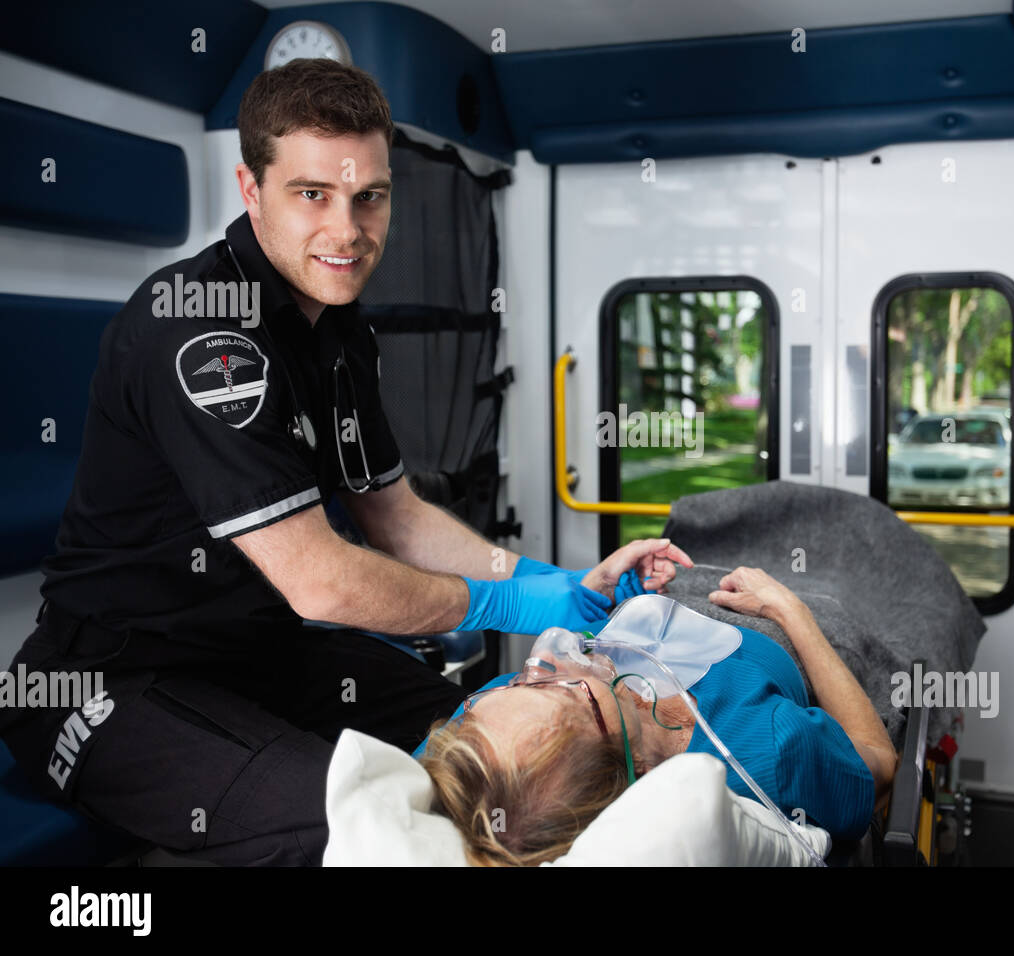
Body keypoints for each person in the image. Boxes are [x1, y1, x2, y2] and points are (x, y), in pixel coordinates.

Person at [0, 58, 678, 866]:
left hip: (252, 652)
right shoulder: (200, 329)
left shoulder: (342, 332)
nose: (348, 231)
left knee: (478, 742)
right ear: (252, 189)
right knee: (364, 828)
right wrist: (513, 608)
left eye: (370, 197)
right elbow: (318, 579)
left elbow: (393, 516)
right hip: (109, 679)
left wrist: (558, 585)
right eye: (311, 194)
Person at [418, 566, 900, 866]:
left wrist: (600, 587)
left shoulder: (497, 727)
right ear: (632, 771)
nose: (544, 655)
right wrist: (790, 609)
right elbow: (880, 764)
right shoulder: (769, 751)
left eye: (518, 680)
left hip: (676, 579)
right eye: (560, 690)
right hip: (799, 598)